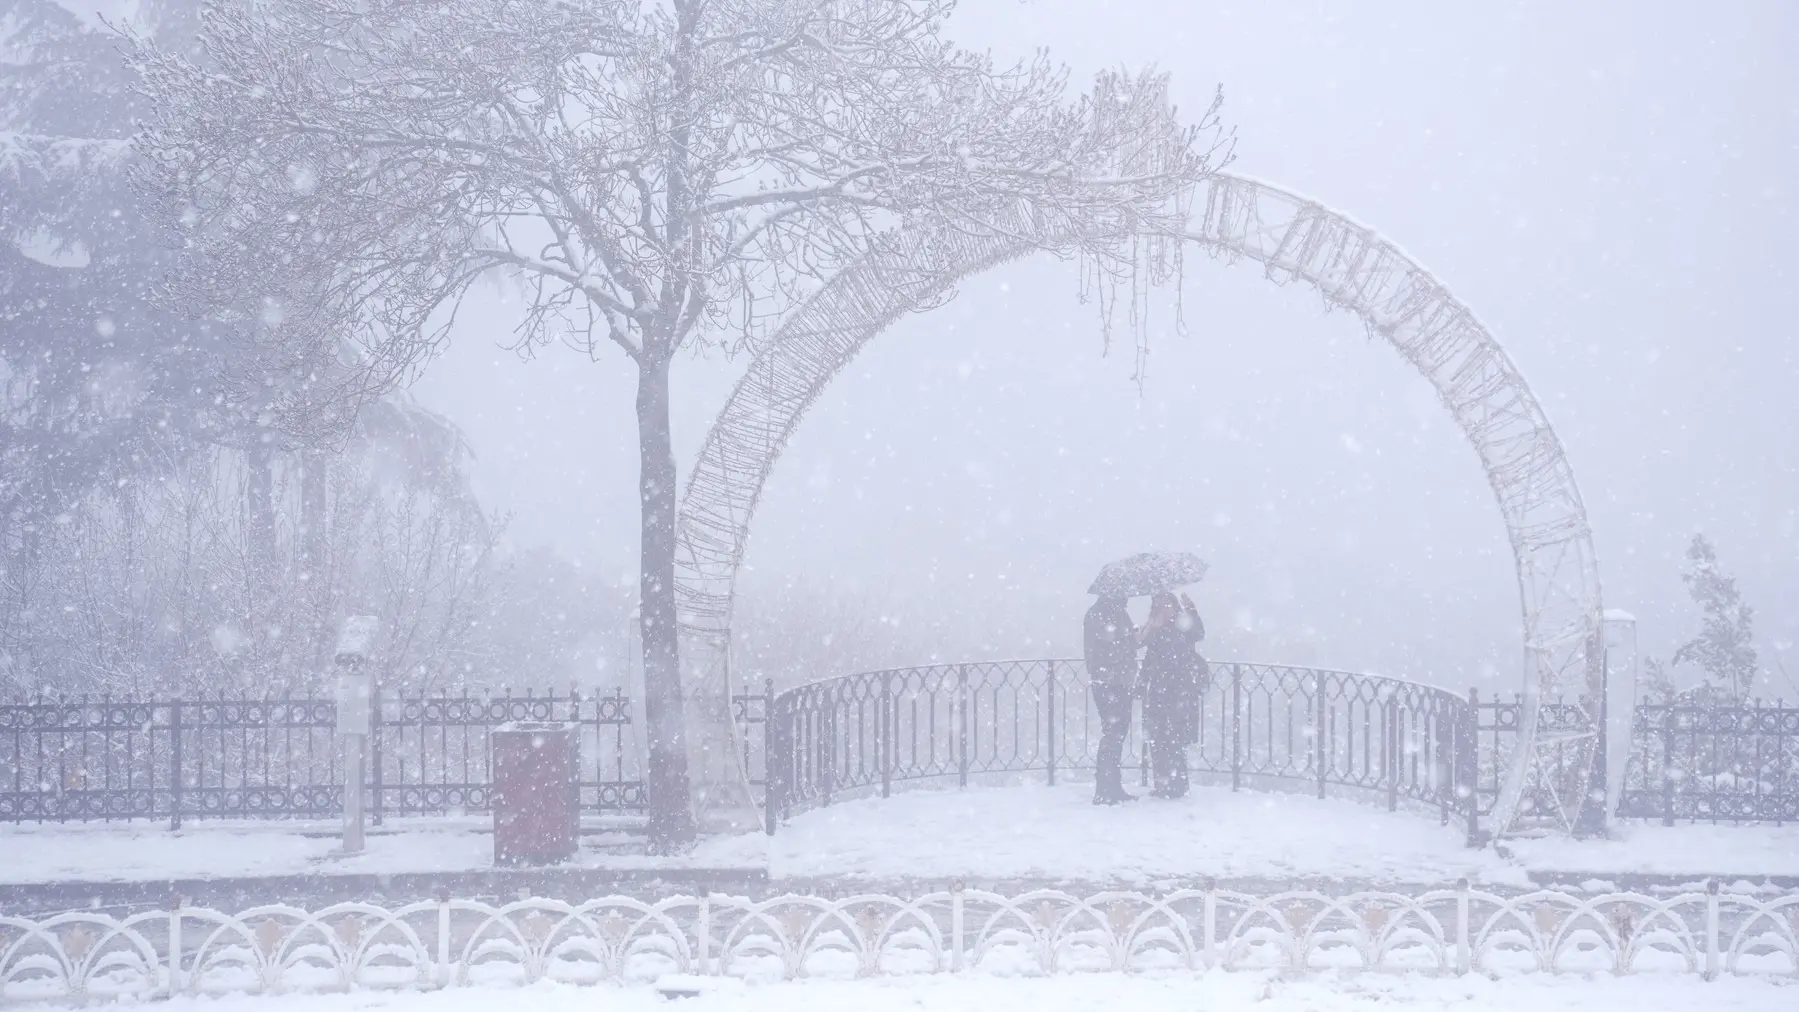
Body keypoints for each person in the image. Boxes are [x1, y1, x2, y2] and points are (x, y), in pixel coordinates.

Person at [1139, 591, 1208, 799]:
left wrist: (1192, 610)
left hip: (1180, 690)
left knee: (1175, 739)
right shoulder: (1156, 629)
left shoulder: (1183, 624)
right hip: (1161, 690)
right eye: (1161, 606)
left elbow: (1199, 633)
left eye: (1168, 605)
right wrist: (1142, 680)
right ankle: (1162, 784)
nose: (1165, 609)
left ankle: (1177, 785)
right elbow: (1149, 657)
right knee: (1159, 738)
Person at [1082, 593, 1139, 805]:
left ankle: (1112, 786)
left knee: (1116, 732)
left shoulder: (1113, 613)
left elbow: (1121, 643)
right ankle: (1105, 788)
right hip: (1110, 681)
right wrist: (1133, 638)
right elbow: (1112, 647)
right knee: (1113, 732)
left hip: (1117, 680)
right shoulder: (1101, 615)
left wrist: (1134, 637)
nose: (1127, 597)